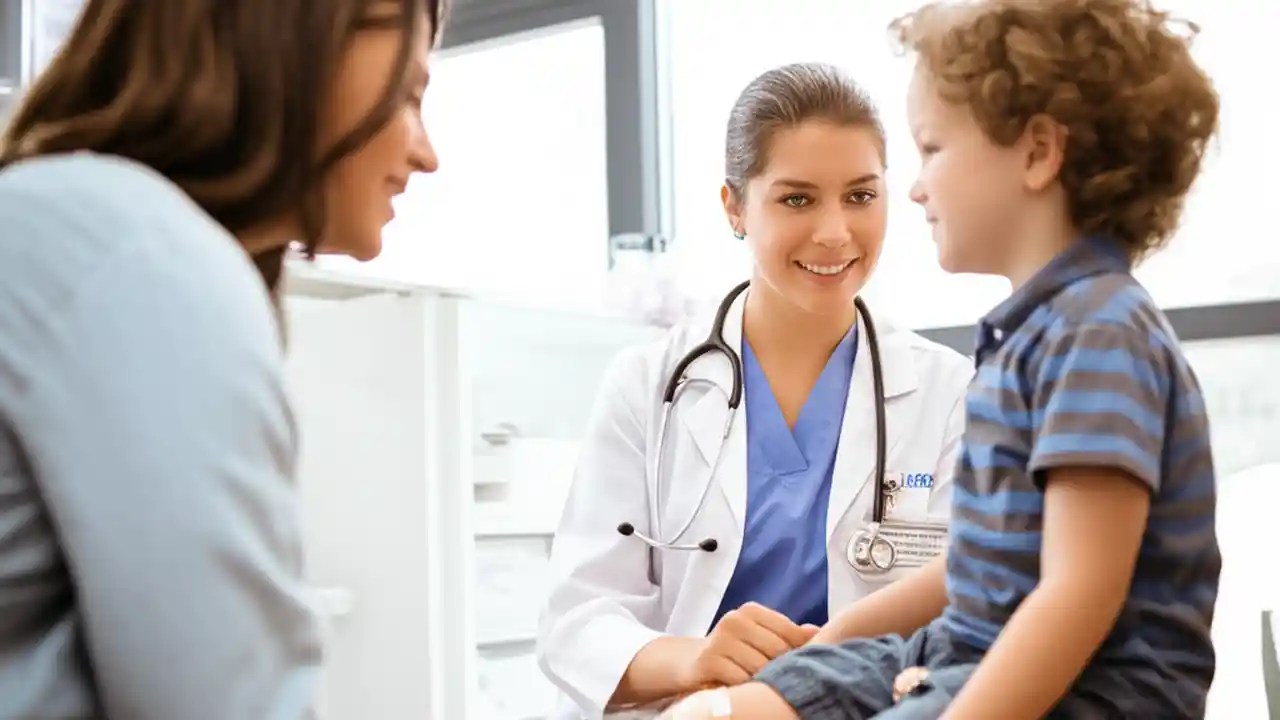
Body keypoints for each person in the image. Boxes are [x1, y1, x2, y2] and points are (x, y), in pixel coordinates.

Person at [660, 1, 1222, 718]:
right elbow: (974, 566)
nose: (916, 187)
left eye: (931, 149)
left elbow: (1078, 596)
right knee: (721, 712)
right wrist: (823, 648)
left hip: (1098, 687)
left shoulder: (1099, 336)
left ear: (1037, 153)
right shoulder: (1030, 337)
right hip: (963, 647)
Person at [0, 0, 445, 717]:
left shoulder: (78, 226)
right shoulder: (140, 255)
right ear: (298, 45)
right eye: (410, 93)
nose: (426, 154)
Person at [537, 62, 975, 720]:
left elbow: (962, 613)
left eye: (860, 196)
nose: (835, 231)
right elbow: (577, 621)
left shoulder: (949, 394)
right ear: (735, 207)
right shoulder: (647, 386)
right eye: (797, 199)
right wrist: (695, 659)